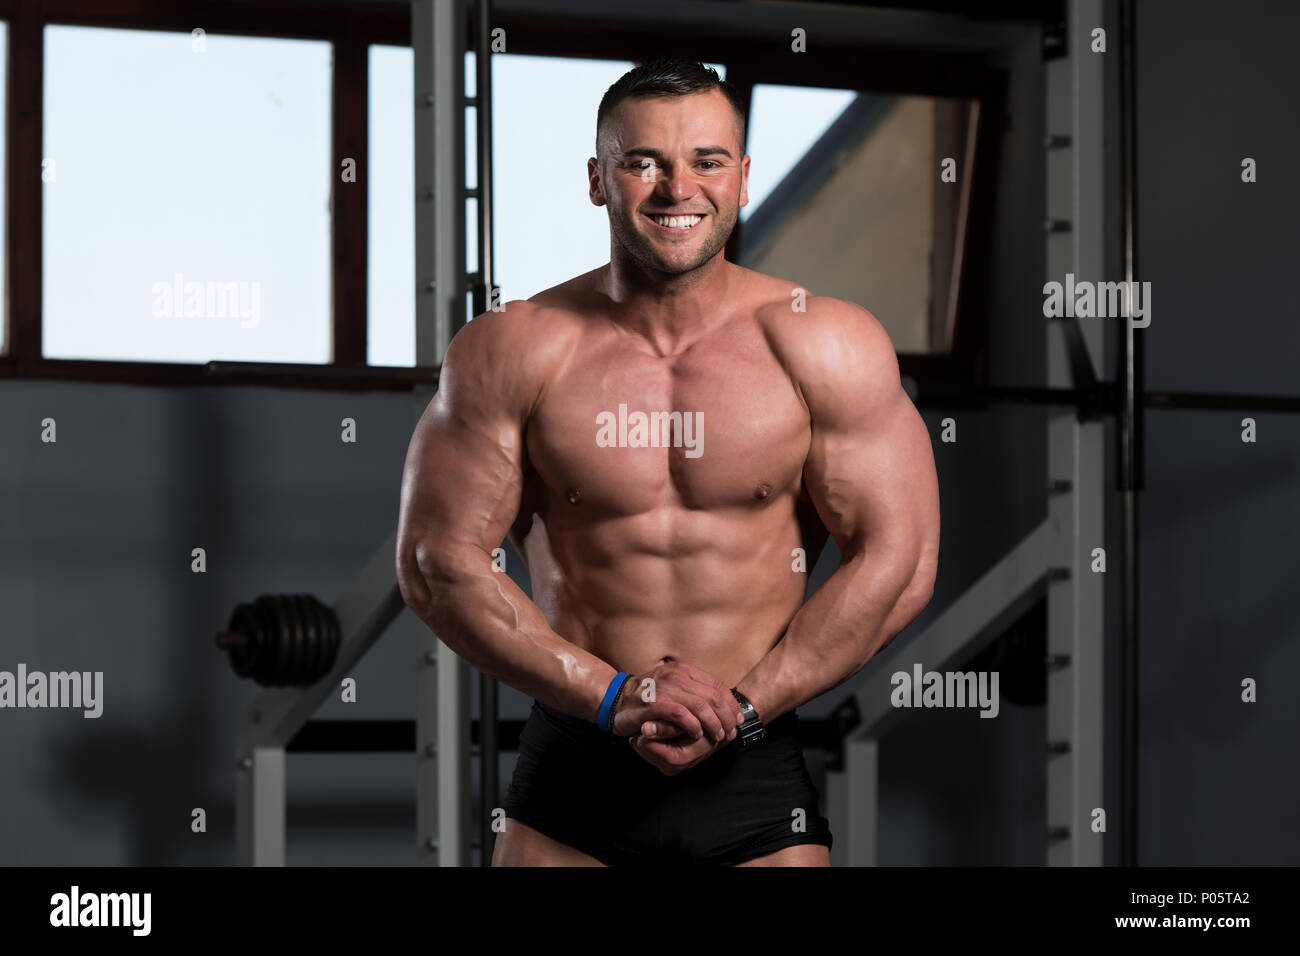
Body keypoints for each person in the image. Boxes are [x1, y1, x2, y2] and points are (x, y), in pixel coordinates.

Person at [395, 59, 940, 866]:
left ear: (744, 178)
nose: (676, 188)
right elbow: (436, 562)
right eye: (642, 161)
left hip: (751, 767)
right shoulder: (512, 347)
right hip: (576, 771)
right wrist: (611, 695)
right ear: (597, 179)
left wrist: (744, 707)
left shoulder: (824, 343)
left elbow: (901, 560)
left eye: (707, 162)